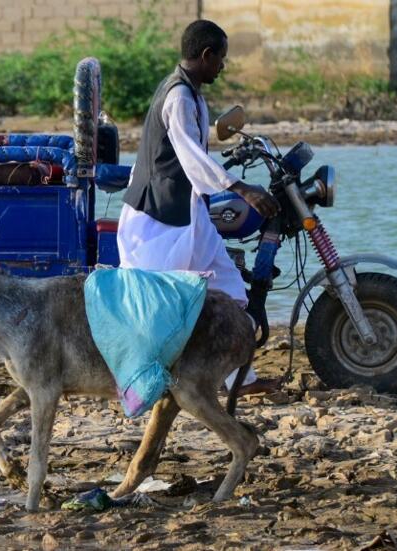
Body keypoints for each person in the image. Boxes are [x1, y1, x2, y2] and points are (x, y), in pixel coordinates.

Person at [117, 20, 280, 395]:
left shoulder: (193, 95)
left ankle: (238, 379)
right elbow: (191, 157)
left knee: (231, 289)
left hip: (189, 213)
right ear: (206, 55)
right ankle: (136, 382)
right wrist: (241, 188)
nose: (223, 66)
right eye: (221, 58)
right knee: (154, 309)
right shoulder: (179, 97)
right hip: (158, 218)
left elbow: (195, 154)